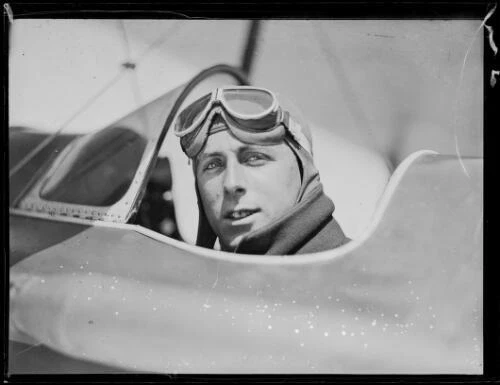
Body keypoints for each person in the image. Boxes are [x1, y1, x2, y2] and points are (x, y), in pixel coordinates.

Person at [175, 86, 349, 255]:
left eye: (254, 158)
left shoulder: (362, 278)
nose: (231, 183)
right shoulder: (206, 281)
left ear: (304, 169)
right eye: (213, 165)